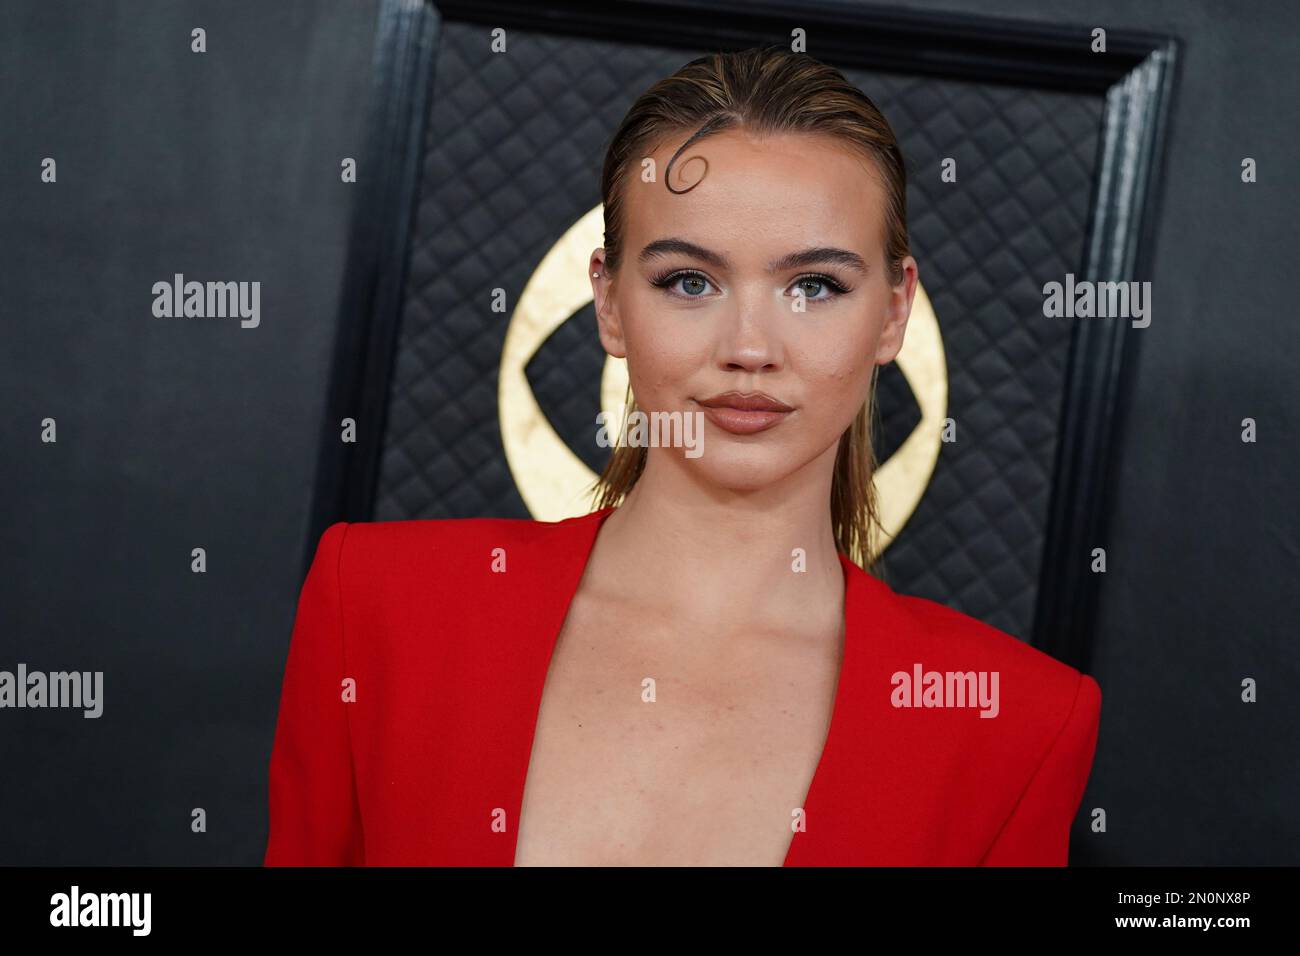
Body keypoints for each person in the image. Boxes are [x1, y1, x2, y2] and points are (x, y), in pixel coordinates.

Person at [264, 45, 1100, 867]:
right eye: (689, 281)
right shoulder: (378, 607)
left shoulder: (1012, 721)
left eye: (814, 286)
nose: (749, 349)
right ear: (609, 302)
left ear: (893, 313)